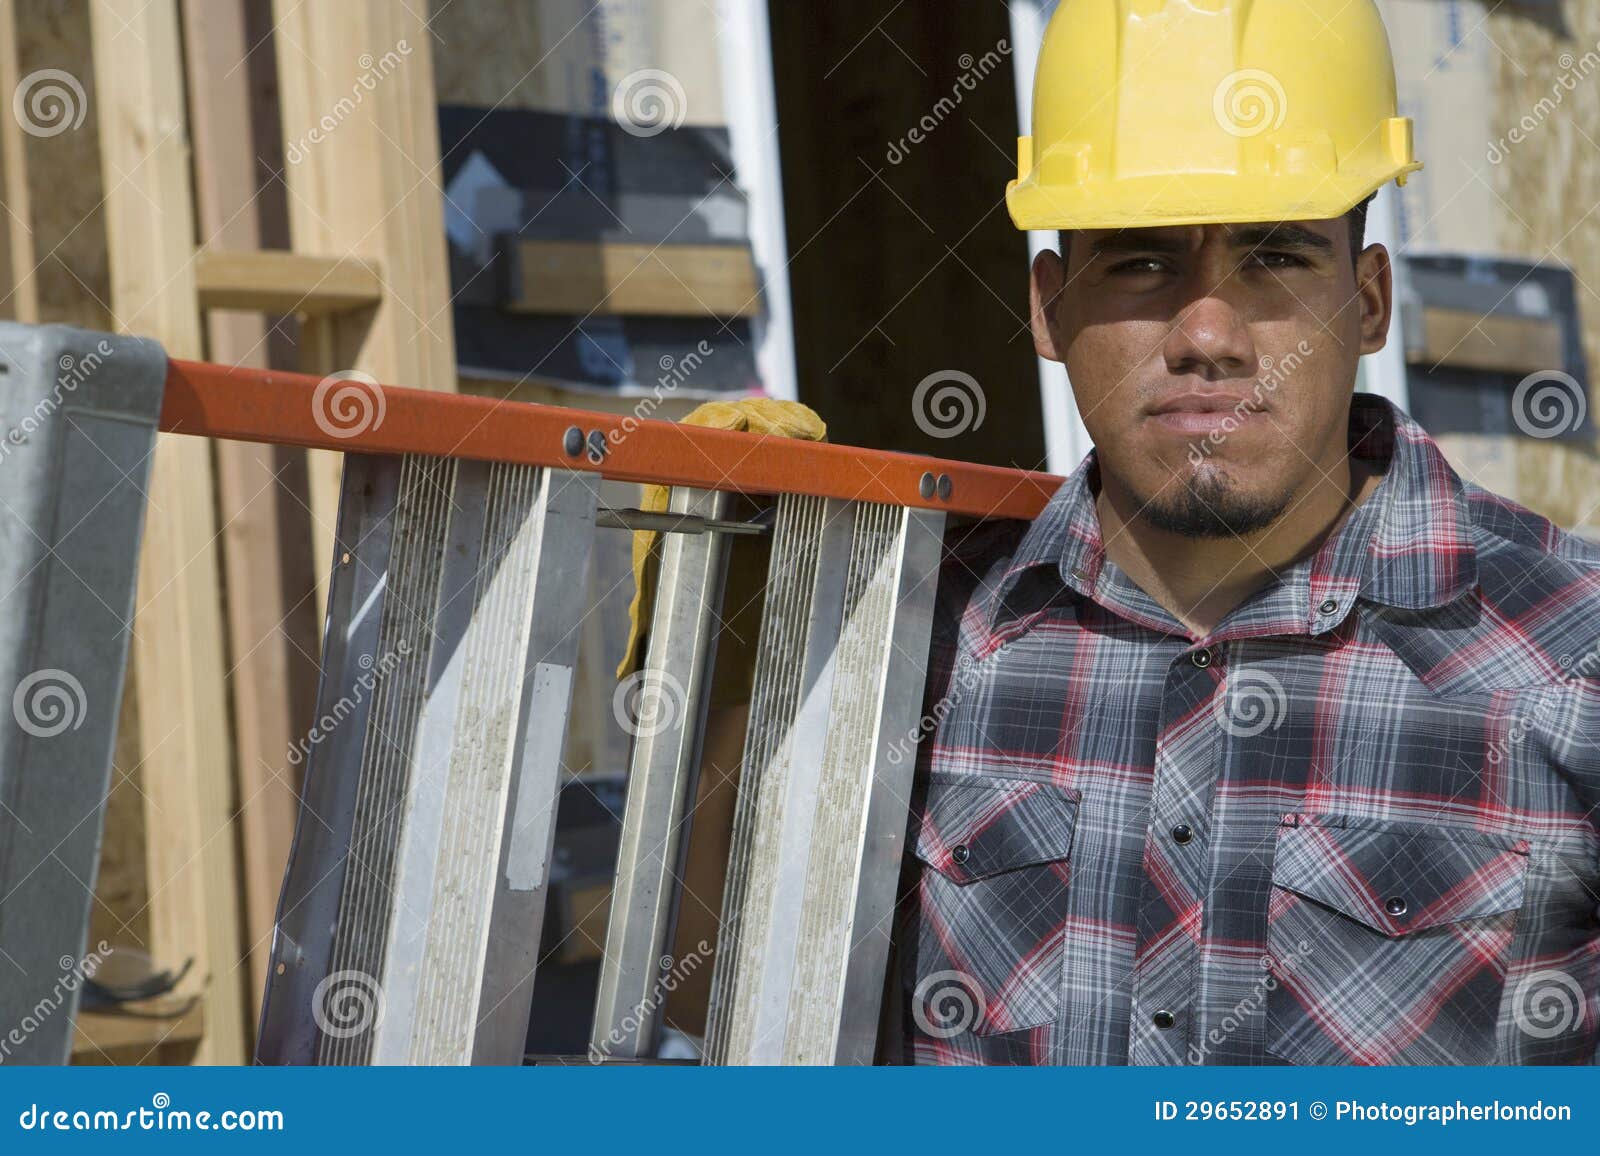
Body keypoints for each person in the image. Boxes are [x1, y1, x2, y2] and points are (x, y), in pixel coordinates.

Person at [892, 0, 1600, 1064]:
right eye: (1140, 262)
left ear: (1367, 302)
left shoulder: (1572, 657)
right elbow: (757, 1002)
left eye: (1273, 257)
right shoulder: (921, 640)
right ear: (1047, 307)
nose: (1208, 334)